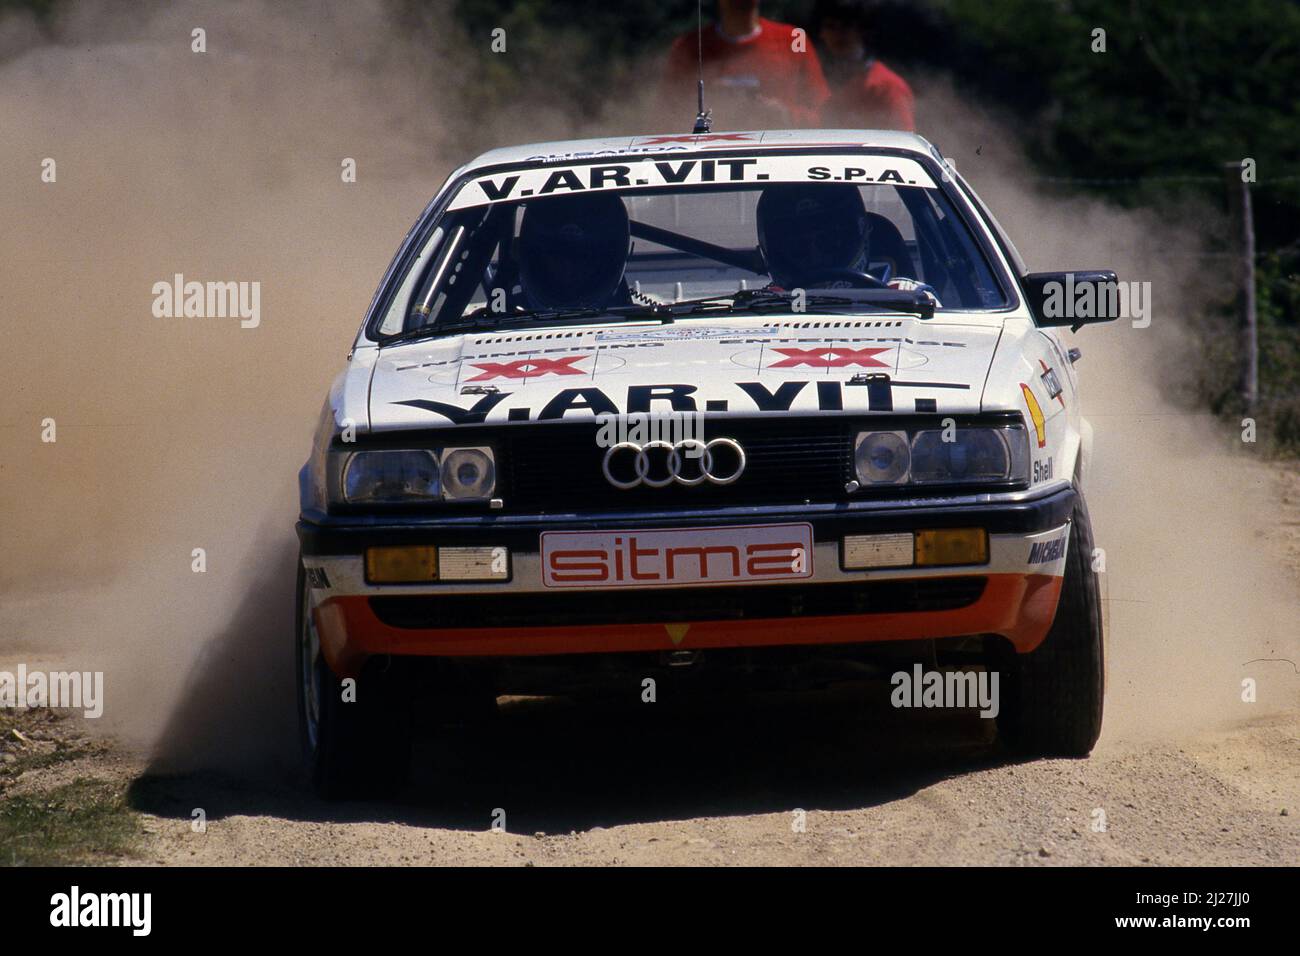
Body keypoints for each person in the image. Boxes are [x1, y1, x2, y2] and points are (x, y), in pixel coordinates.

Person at [661, 0, 829, 128]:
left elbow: (826, 114)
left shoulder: (793, 40)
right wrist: (710, 113)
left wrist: (785, 115)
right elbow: (664, 118)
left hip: (779, 154)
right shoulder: (689, 47)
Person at [815, 0, 915, 131]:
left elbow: (903, 142)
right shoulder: (817, 79)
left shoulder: (887, 87)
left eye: (846, 25)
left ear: (862, 31)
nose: (838, 34)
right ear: (822, 33)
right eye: (831, 26)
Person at [518, 195, 630, 311]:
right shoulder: (504, 313)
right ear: (536, 259)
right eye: (558, 256)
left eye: (581, 258)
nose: (568, 268)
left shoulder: (637, 317)